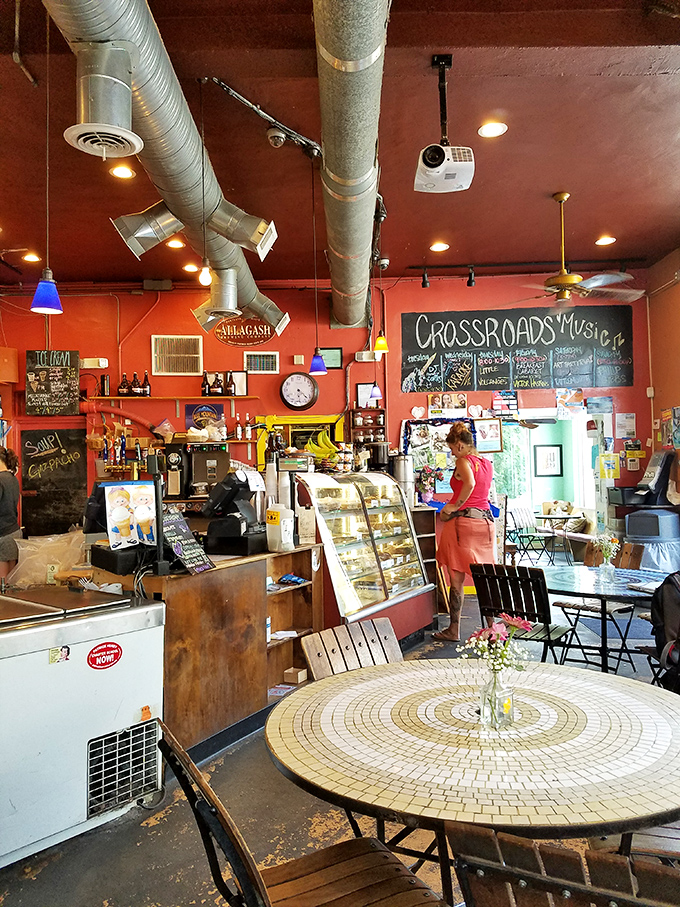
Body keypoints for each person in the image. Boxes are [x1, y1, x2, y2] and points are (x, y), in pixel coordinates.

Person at [432, 422, 495, 642]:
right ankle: (493, 629)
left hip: (463, 524)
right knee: (484, 579)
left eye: (451, 448)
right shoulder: (486, 463)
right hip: (485, 524)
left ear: (460, 445)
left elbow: (468, 483)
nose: (451, 453)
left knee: (456, 578)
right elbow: (479, 488)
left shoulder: (463, 460)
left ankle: (454, 629)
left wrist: (455, 506)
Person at [0, 446, 21, 578]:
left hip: (2, 534)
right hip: (13, 531)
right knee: (11, 581)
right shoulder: (12, 478)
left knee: (1, 584)